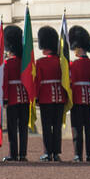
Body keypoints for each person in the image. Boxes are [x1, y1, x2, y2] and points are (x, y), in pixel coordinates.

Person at [33, 27, 67, 162]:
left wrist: (35, 97)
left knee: (47, 127)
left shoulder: (41, 62)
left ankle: (48, 152)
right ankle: (56, 153)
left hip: (46, 97)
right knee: (57, 127)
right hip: (59, 97)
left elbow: (37, 81)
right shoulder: (61, 61)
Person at [66, 26, 90, 162]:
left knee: (77, 128)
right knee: (89, 129)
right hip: (89, 98)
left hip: (77, 98)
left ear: (78, 48)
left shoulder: (72, 65)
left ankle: (78, 154)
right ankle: (89, 154)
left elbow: (69, 81)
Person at [1, 26, 30, 162]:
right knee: (23, 128)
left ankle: (13, 154)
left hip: (12, 98)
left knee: (12, 128)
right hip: (24, 97)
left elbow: (5, 82)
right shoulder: (25, 62)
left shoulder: (8, 63)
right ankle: (23, 154)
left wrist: (5, 99)